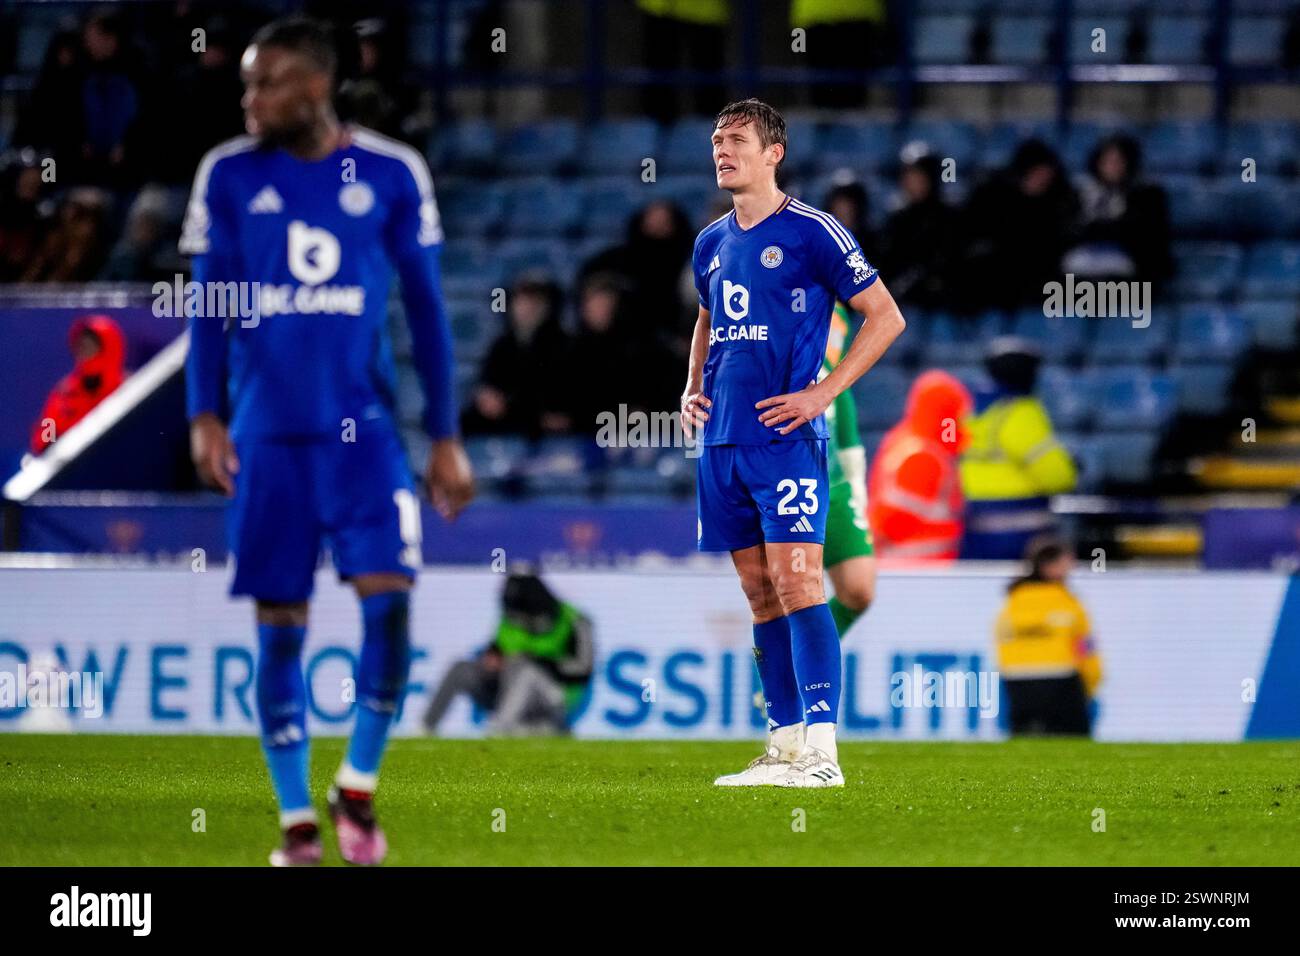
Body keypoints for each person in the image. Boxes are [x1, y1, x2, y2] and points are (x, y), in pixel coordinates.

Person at [182, 16, 474, 867]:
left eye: (264, 82)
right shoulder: (228, 176)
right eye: (247, 83)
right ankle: (297, 824)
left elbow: (425, 314)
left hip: (366, 439)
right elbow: (210, 306)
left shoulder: (389, 173)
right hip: (266, 438)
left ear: (313, 86)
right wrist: (204, 415)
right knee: (282, 627)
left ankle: (357, 783)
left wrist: (446, 436)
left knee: (391, 605)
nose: (249, 99)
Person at [682, 99, 905, 788]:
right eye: (718, 139)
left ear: (773, 151)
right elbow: (706, 315)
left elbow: (885, 316)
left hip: (786, 436)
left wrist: (822, 394)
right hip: (721, 441)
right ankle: (781, 747)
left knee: (801, 580)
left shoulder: (813, 231)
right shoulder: (711, 242)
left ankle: (823, 754)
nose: (724, 150)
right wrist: (691, 384)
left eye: (738, 139)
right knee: (758, 592)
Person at [422, 568, 594, 736]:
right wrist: (491, 662)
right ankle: (426, 728)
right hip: (506, 688)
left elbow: (583, 669)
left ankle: (501, 729)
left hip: (555, 697)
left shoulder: (574, 620)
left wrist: (539, 662)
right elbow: (496, 649)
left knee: (526, 669)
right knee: (461, 669)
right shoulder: (510, 618)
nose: (521, 622)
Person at [960, 337, 1076, 560]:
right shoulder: (1023, 412)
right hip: (1020, 535)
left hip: (973, 531)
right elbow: (1057, 476)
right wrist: (1072, 468)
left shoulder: (968, 410)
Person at [995, 536, 1101, 736]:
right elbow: (1084, 645)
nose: (1072, 566)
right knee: (1075, 745)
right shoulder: (1067, 603)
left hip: (1018, 680)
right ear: (1049, 566)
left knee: (1025, 746)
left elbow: (1002, 642)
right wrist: (1092, 680)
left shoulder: (1014, 602)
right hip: (1062, 679)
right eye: (1067, 562)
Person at [867, 370, 972, 561]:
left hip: (909, 568)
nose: (961, 422)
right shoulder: (924, 458)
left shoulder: (905, 443)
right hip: (914, 569)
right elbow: (894, 521)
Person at [820, 301, 877, 635]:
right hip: (790, 494)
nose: (834, 339)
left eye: (838, 331)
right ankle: (774, 685)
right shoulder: (779, 370)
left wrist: (858, 495)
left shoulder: (837, 382)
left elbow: (850, 444)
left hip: (837, 494)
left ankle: (809, 664)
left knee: (858, 591)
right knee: (791, 598)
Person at [460, 272, 571, 437]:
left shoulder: (565, 345)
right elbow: (488, 384)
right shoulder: (502, 345)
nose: (526, 307)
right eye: (521, 299)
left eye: (535, 301)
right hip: (505, 422)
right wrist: (486, 398)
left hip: (544, 430)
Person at [30, 314, 126, 455]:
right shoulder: (64, 393)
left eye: (90, 345)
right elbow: (45, 434)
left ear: (107, 347)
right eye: (81, 346)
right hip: (74, 467)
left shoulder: (126, 389)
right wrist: (50, 444)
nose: (83, 351)